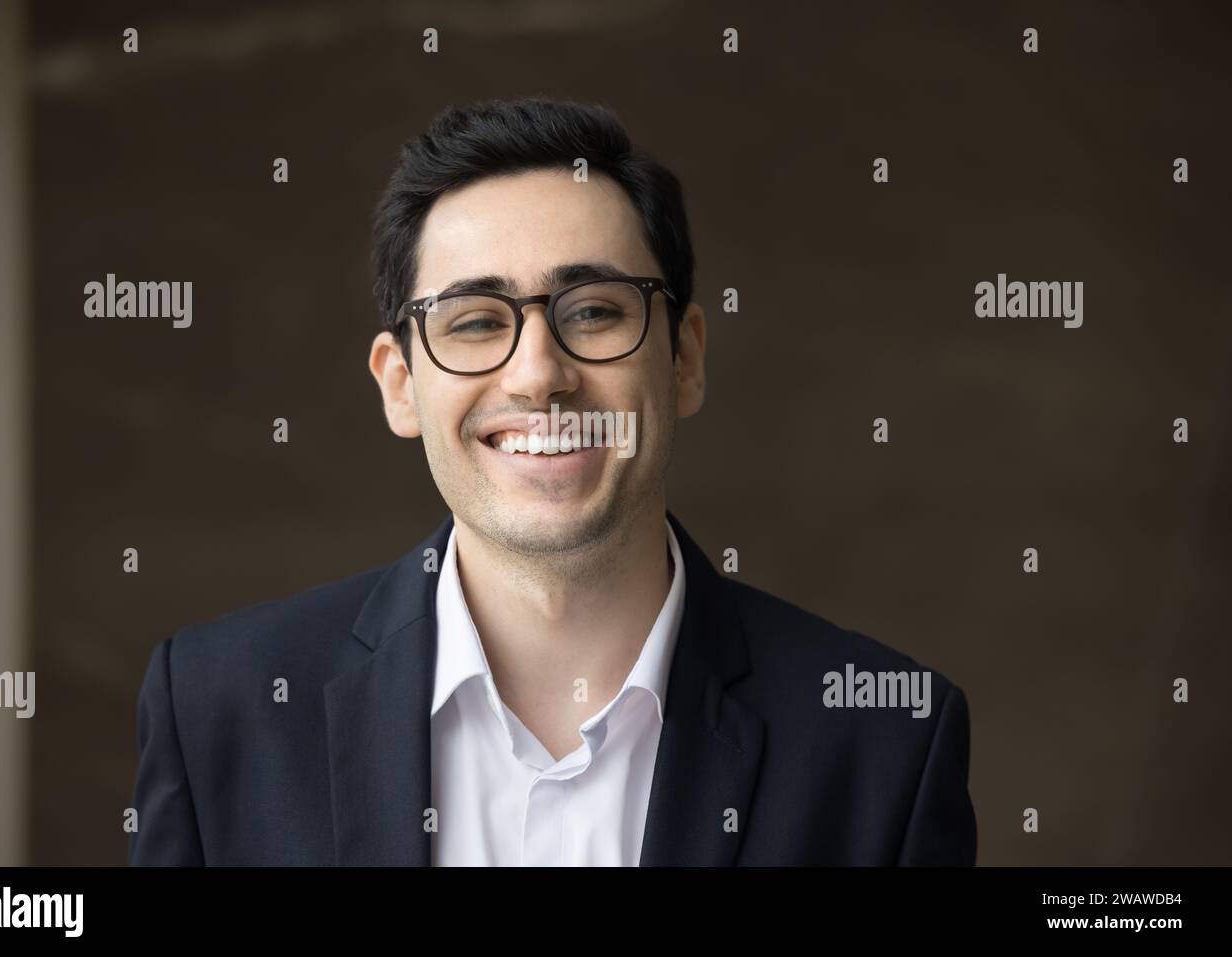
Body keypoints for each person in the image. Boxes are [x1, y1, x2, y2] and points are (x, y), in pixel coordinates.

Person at [129, 95, 976, 866]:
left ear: (684, 357)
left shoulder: (881, 739)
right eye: (473, 321)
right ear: (399, 384)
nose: (539, 374)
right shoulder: (220, 711)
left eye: (596, 310)